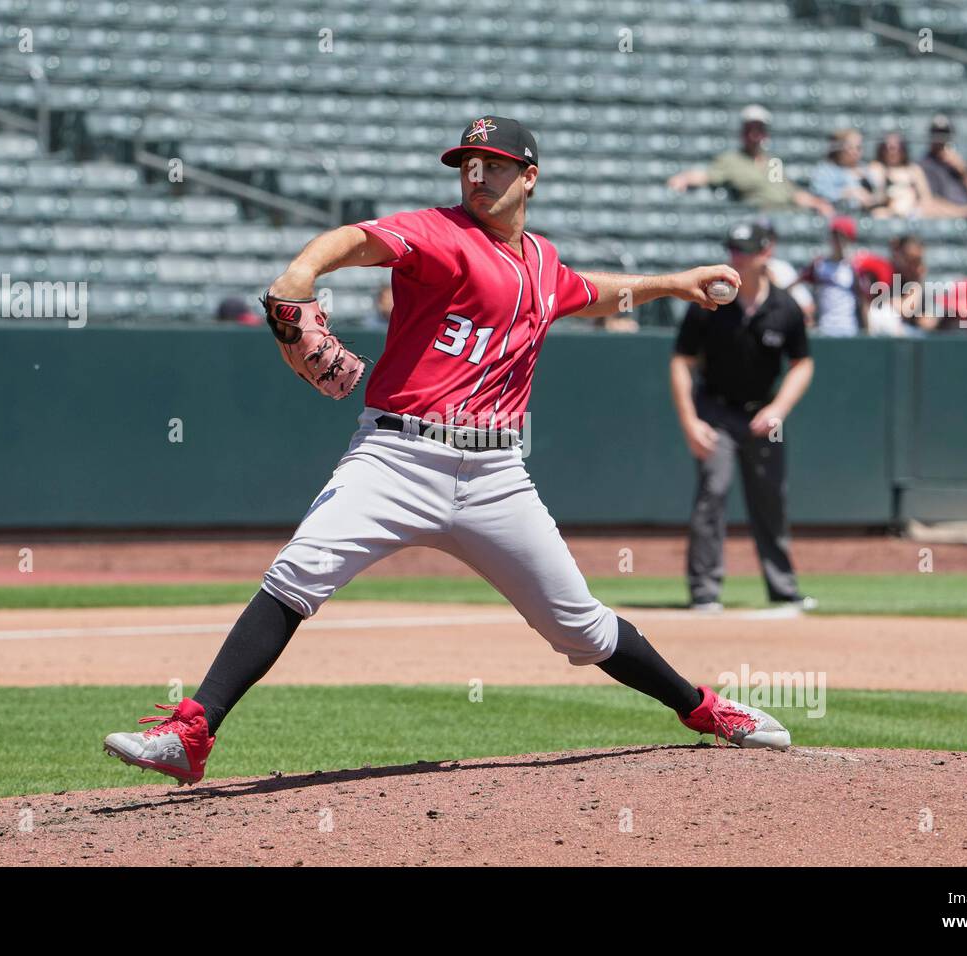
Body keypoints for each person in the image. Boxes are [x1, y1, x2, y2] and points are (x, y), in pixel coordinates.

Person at [102, 115, 792, 784]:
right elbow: (351, 240)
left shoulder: (543, 262)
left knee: (580, 628)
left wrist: (673, 283)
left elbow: (588, 294)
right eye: (469, 164)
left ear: (530, 177)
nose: (477, 175)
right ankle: (192, 732)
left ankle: (704, 709)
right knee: (297, 572)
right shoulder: (436, 234)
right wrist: (298, 277)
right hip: (397, 459)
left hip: (496, 474)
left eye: (493, 165)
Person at [669, 221, 816, 613]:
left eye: (746, 250)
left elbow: (803, 363)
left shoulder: (785, 306)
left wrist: (778, 409)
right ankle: (704, 592)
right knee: (713, 492)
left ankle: (783, 589)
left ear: (766, 253)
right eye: (733, 249)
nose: (737, 257)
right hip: (715, 410)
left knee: (770, 499)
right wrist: (690, 420)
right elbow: (682, 362)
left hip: (763, 413)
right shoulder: (709, 304)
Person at [667, 105, 833, 216]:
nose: (754, 135)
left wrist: (817, 203)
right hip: (758, 216)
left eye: (759, 130)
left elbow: (790, 192)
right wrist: (684, 178)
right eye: (749, 130)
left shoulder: (773, 163)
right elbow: (707, 175)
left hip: (786, 215)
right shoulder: (732, 160)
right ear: (742, 133)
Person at [796, 216, 868, 337]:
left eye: (842, 237)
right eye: (835, 236)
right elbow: (795, 284)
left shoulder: (854, 268)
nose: (838, 241)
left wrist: (868, 330)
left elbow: (863, 301)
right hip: (824, 329)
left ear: (849, 240)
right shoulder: (819, 265)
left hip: (849, 329)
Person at [916, 115, 967, 219]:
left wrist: (964, 172)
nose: (941, 139)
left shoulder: (959, 163)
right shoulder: (923, 165)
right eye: (937, 134)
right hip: (945, 222)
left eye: (944, 134)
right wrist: (966, 212)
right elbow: (929, 203)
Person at [865, 132, 935, 219]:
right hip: (888, 213)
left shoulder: (914, 169)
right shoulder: (877, 167)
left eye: (896, 148)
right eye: (888, 148)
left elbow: (926, 198)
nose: (892, 152)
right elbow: (876, 197)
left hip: (913, 214)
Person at [809, 129, 878, 212]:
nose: (855, 152)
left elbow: (876, 195)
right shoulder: (825, 170)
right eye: (850, 147)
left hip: (865, 213)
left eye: (859, 148)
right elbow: (818, 194)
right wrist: (846, 193)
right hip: (836, 213)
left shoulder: (865, 169)